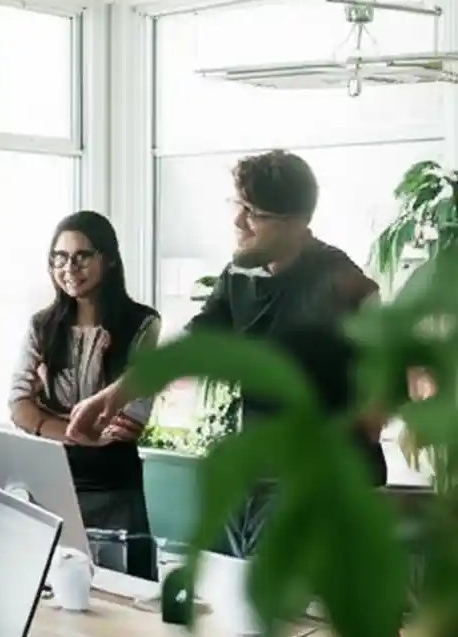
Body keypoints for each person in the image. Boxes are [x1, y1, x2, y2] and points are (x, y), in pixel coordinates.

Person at [67, 150, 389, 509]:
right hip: (263, 483)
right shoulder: (238, 277)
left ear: (296, 223)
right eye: (237, 206)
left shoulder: (342, 283)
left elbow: (384, 386)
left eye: (253, 213)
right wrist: (113, 395)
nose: (238, 221)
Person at [8, 210, 162, 579]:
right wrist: (75, 430)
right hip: (52, 484)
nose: (69, 267)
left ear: (107, 259)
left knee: (125, 598)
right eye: (59, 258)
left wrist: (45, 415)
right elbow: (17, 406)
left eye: (81, 256)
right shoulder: (41, 326)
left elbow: (128, 419)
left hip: (114, 488)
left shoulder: (142, 324)